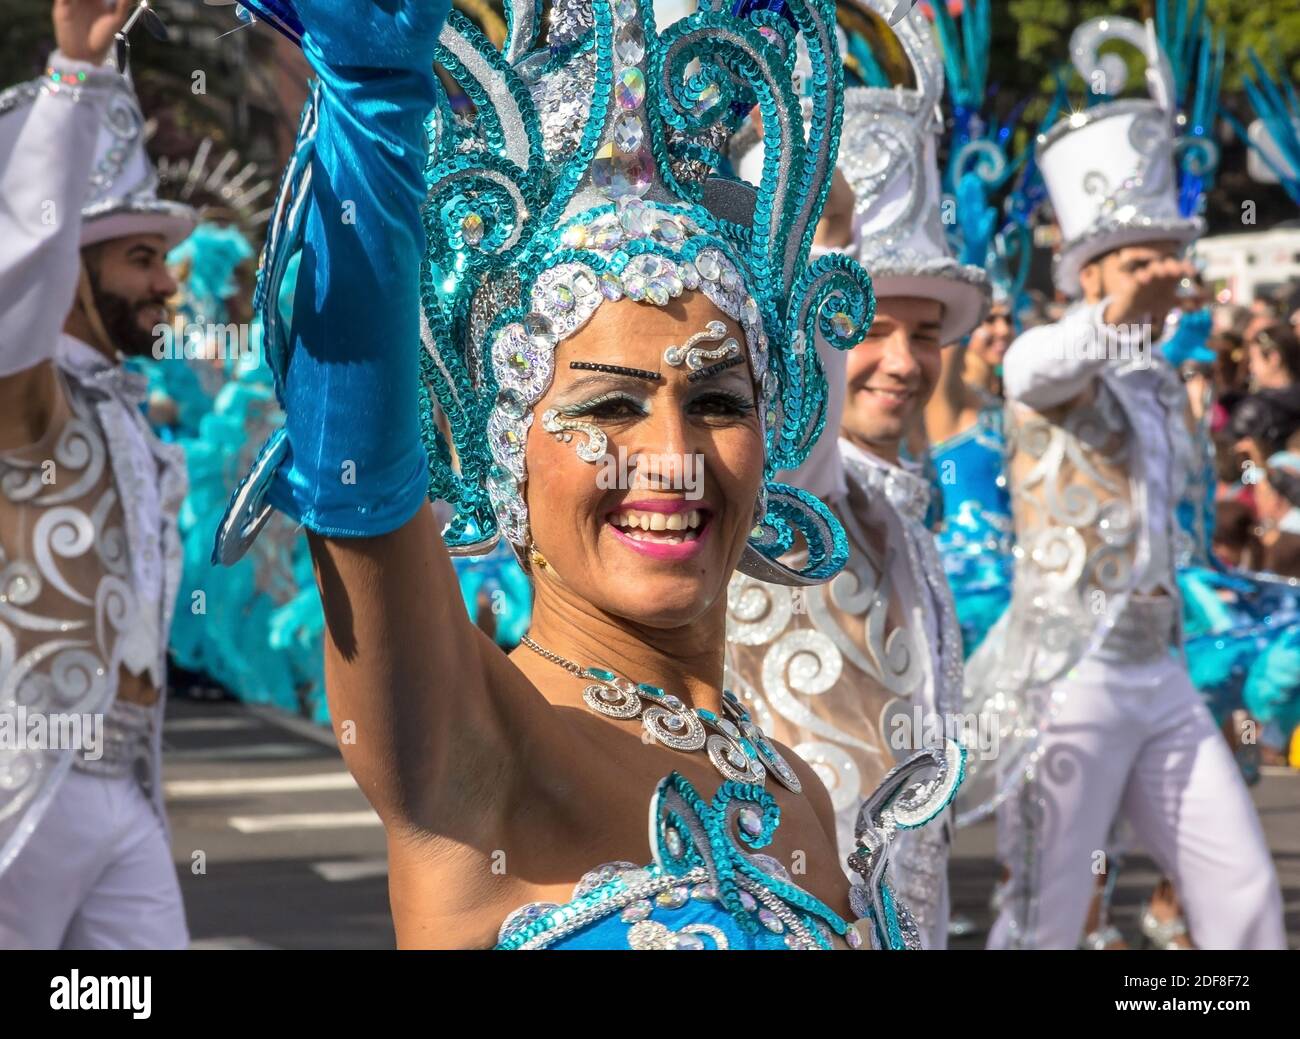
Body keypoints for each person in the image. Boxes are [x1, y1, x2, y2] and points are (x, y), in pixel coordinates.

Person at [214, 0, 958, 950]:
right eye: (608, 407)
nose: (674, 455)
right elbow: (355, 486)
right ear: (505, 453)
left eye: (721, 403)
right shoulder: (480, 744)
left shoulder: (793, 786)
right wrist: (373, 99)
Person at [963, 14, 1284, 950]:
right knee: (1045, 916)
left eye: (1162, 259)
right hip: (1071, 678)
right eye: (1133, 262)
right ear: (1090, 273)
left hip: (1164, 669)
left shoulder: (1156, 381)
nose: (1156, 279)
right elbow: (1035, 371)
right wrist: (1115, 306)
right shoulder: (1047, 354)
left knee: (1247, 902)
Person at [725, 0, 985, 950]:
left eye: (926, 333)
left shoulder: (905, 520)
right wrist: (821, 236)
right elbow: (794, 407)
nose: (905, 362)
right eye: (870, 328)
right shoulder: (780, 493)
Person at [0, 0, 196, 948]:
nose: (167, 283)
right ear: (70, 275)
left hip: (127, 795)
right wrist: (74, 74)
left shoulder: (124, 408)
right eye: (141, 257)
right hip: (20, 794)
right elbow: (16, 280)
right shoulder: (28, 404)